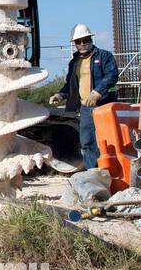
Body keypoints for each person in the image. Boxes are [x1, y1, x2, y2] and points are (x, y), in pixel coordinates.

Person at [49, 23, 118, 168]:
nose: (82, 44)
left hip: (104, 105)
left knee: (108, 140)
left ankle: (113, 171)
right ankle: (93, 173)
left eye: (85, 40)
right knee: (87, 142)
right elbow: (70, 84)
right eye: (78, 42)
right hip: (86, 108)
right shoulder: (75, 62)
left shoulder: (104, 56)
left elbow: (112, 75)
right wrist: (61, 95)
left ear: (91, 39)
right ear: (74, 44)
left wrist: (97, 92)